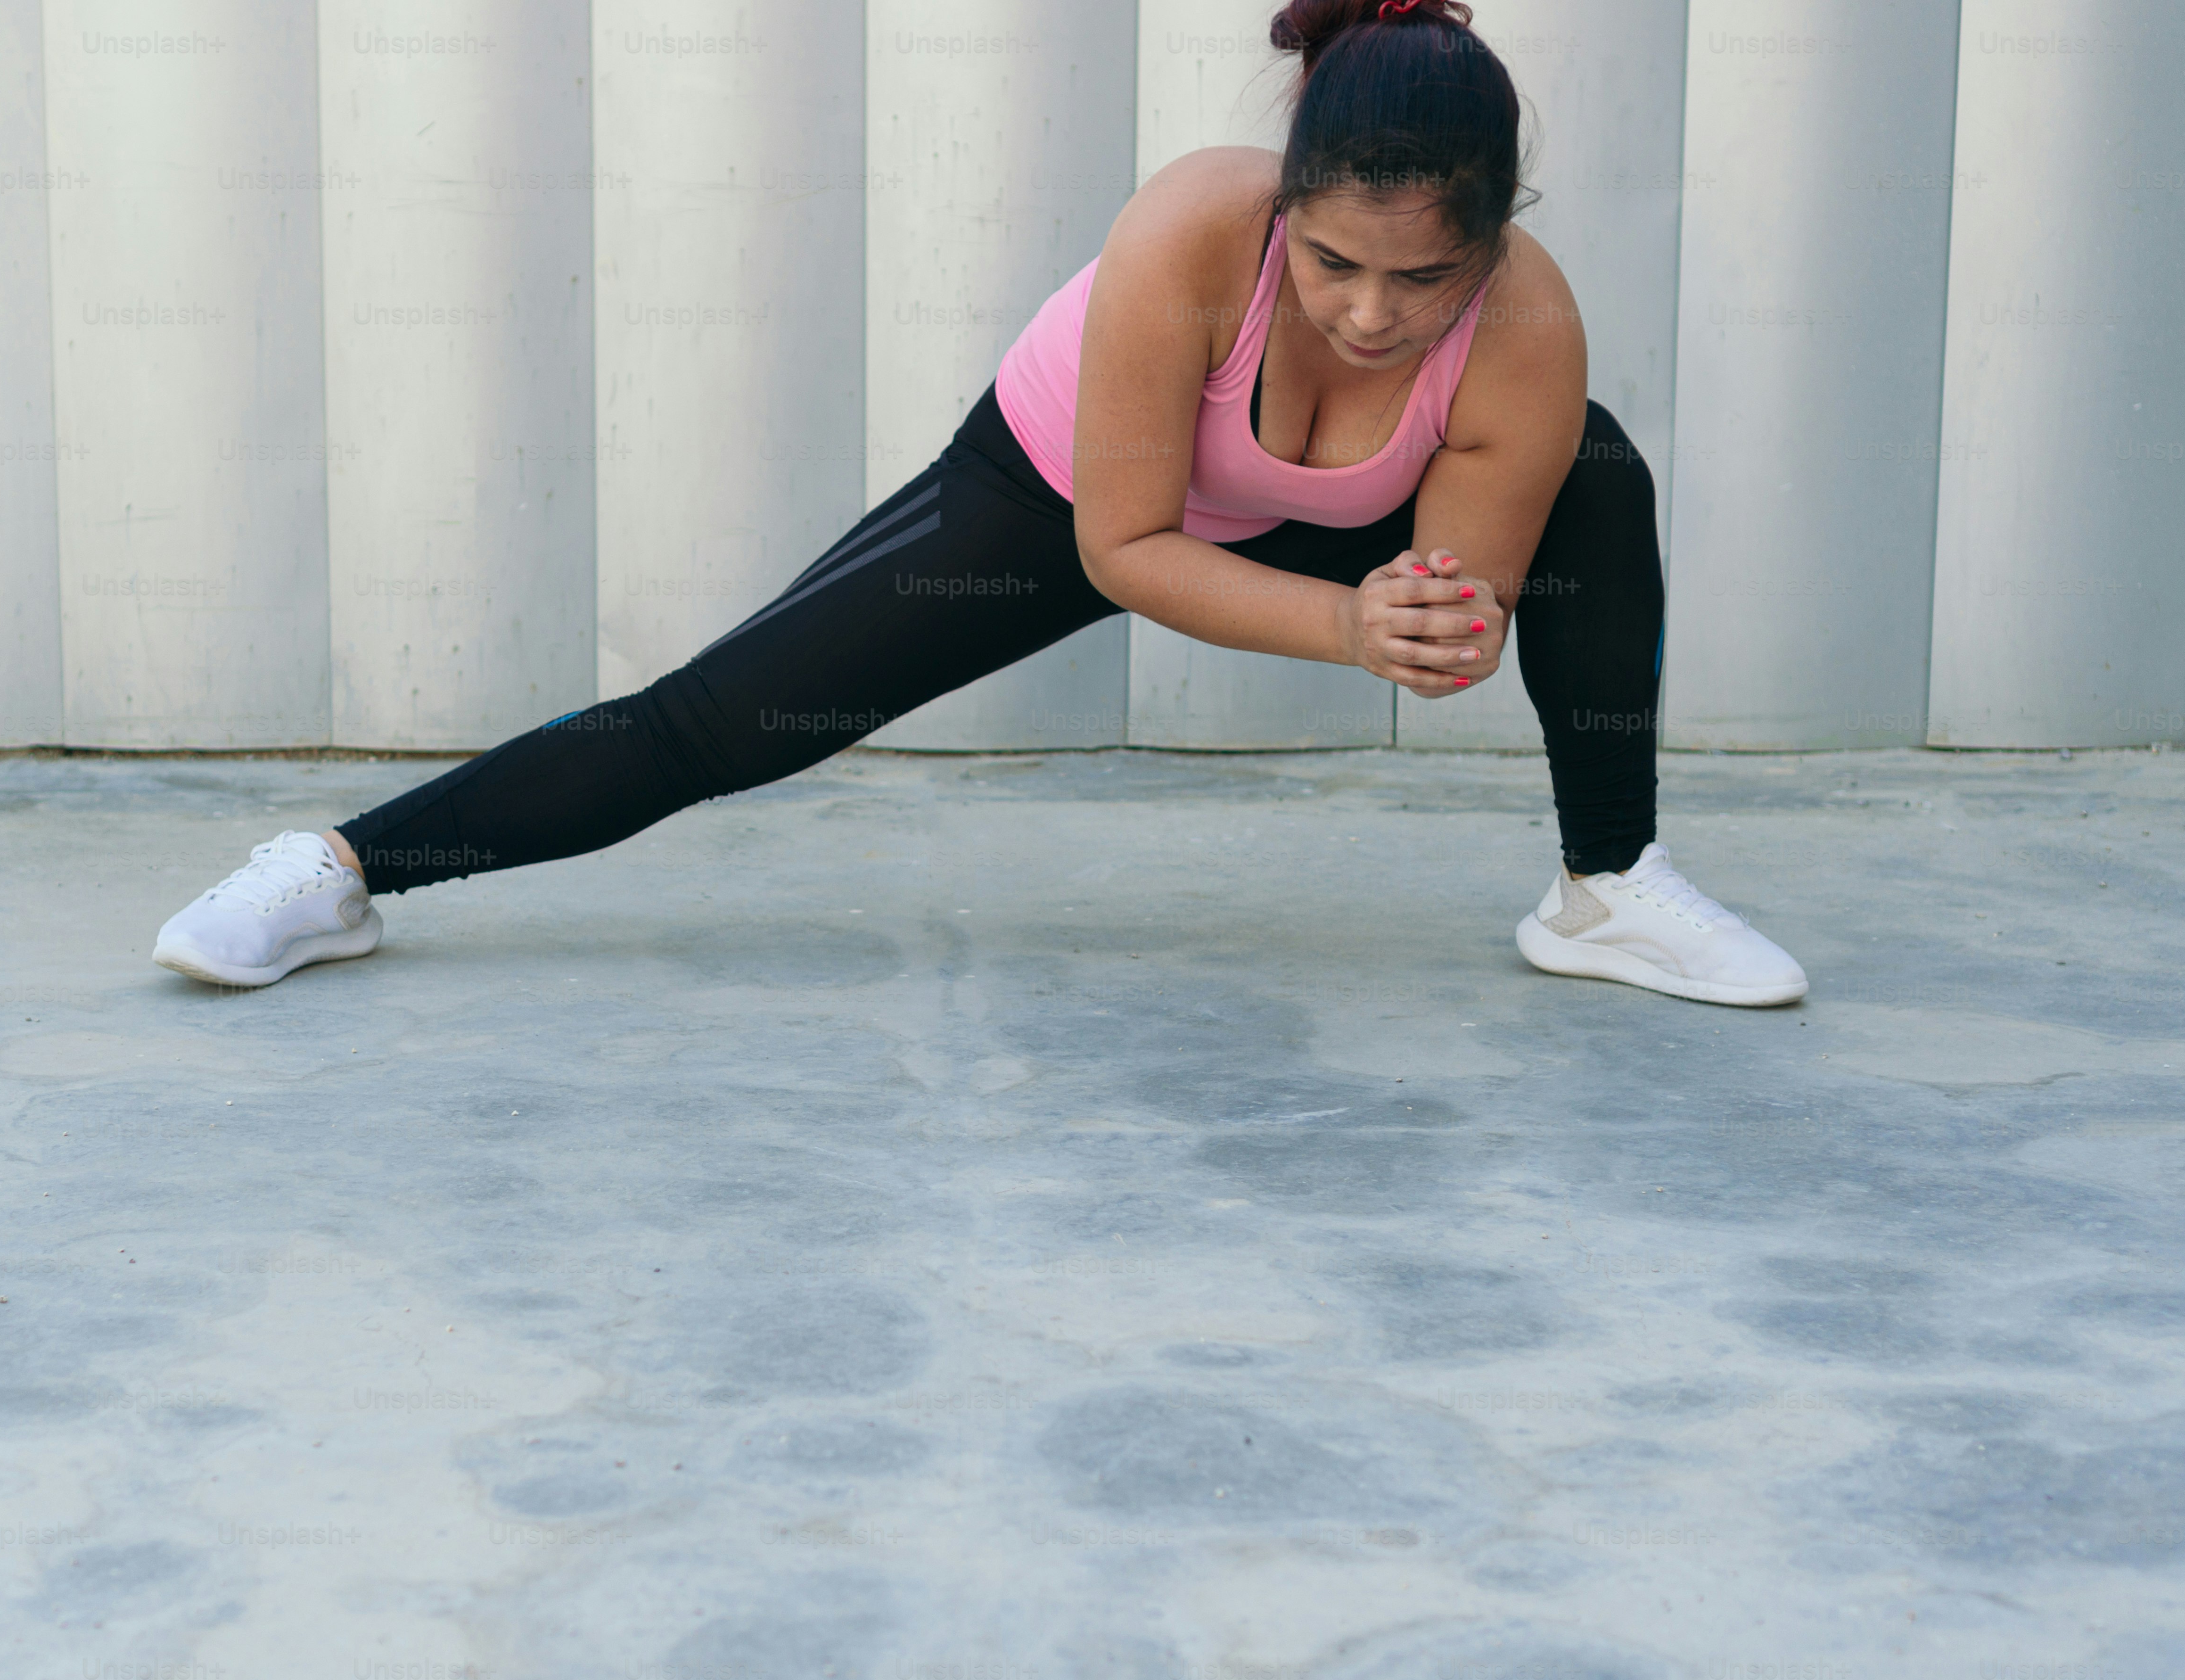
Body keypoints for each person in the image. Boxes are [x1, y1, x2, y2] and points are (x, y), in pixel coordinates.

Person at [152, 0, 1807, 1008]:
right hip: (1070, 483)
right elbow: (1123, 547)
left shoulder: (1525, 325)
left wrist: (1433, 628)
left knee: (1597, 469)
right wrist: (1348, 623)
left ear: (1493, 236)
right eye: (1331, 264)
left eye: (1423, 278)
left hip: (1303, 530)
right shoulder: (1186, 232)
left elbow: (1458, 618)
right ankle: (337, 871)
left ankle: (1603, 891)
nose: (1371, 315)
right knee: (726, 720)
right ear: (1283, 204)